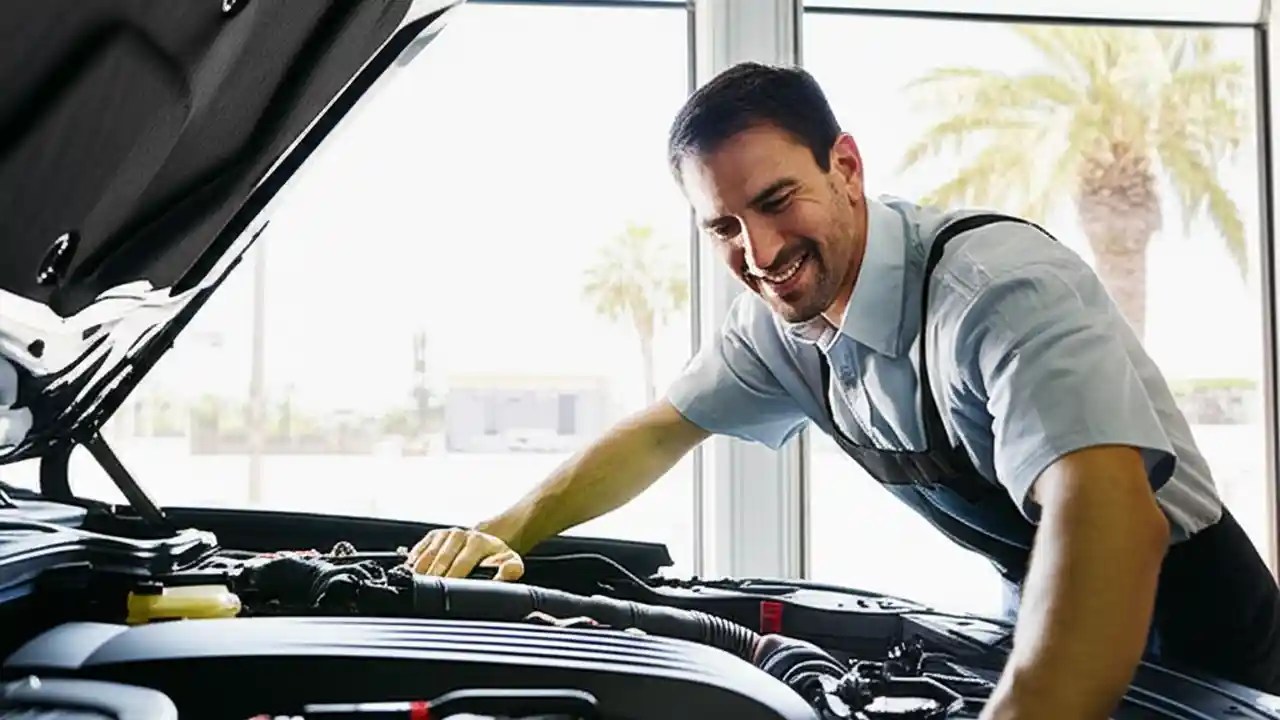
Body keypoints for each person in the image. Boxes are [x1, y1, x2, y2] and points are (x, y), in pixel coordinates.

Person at [405, 62, 1280, 714]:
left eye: (778, 198)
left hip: (1196, 621)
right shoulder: (784, 331)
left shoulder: (996, 292)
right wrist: (495, 534)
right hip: (1033, 593)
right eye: (724, 228)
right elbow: (658, 433)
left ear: (848, 168)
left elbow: (1112, 516)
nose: (760, 252)